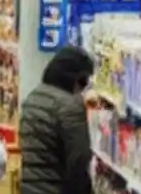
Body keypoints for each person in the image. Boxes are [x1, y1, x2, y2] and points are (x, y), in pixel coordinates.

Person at [19, 46, 95, 194]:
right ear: (75, 77)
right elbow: (79, 158)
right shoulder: (69, 105)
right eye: (84, 82)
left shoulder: (33, 97)